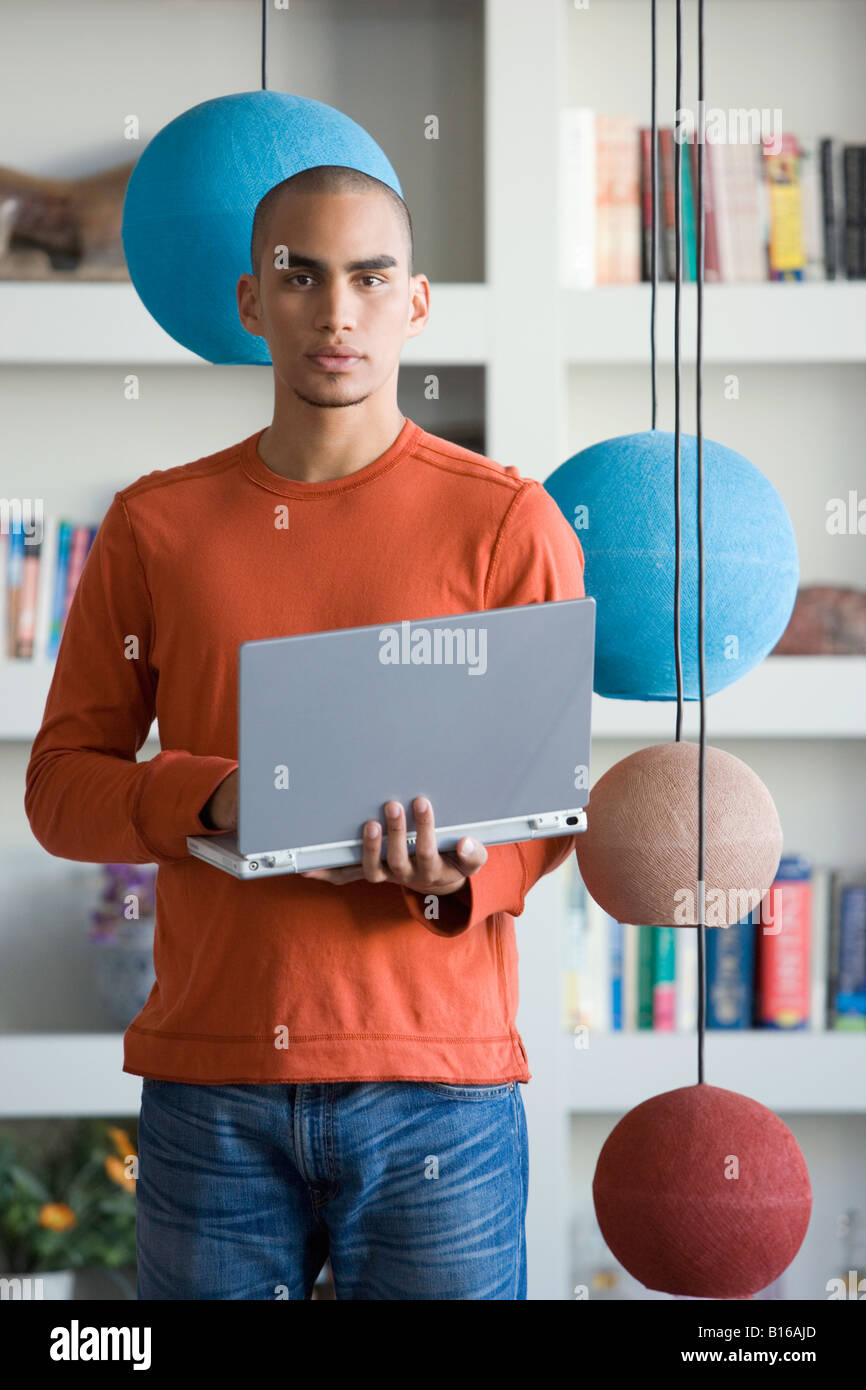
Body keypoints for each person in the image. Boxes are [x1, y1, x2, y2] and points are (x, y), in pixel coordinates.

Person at [24, 165, 586, 1300]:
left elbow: (545, 817)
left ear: (415, 302)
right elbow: (60, 789)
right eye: (301, 278)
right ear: (249, 302)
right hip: (212, 1079)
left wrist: (450, 883)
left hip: (439, 1081)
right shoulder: (153, 527)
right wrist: (209, 797)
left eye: (370, 279)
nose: (336, 313)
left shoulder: (505, 522)